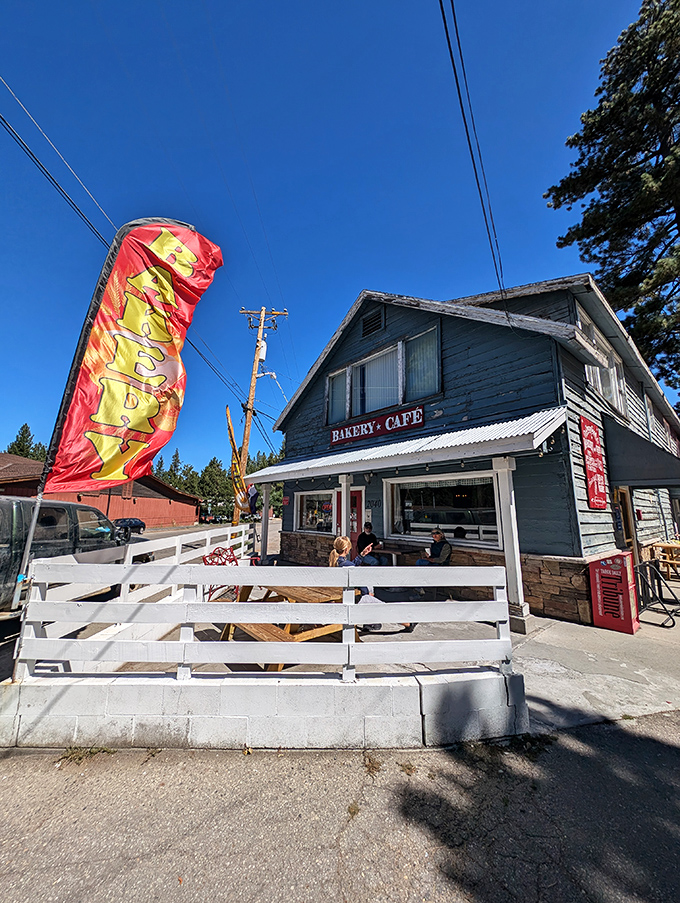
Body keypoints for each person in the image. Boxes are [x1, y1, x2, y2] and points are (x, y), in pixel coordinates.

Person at [328, 536, 415, 632]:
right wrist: (367, 593)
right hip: (355, 600)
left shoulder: (336, 562)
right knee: (383, 608)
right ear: (346, 549)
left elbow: (352, 566)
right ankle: (408, 624)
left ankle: (371, 623)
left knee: (373, 604)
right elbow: (358, 579)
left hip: (344, 598)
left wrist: (362, 554)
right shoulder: (347, 564)